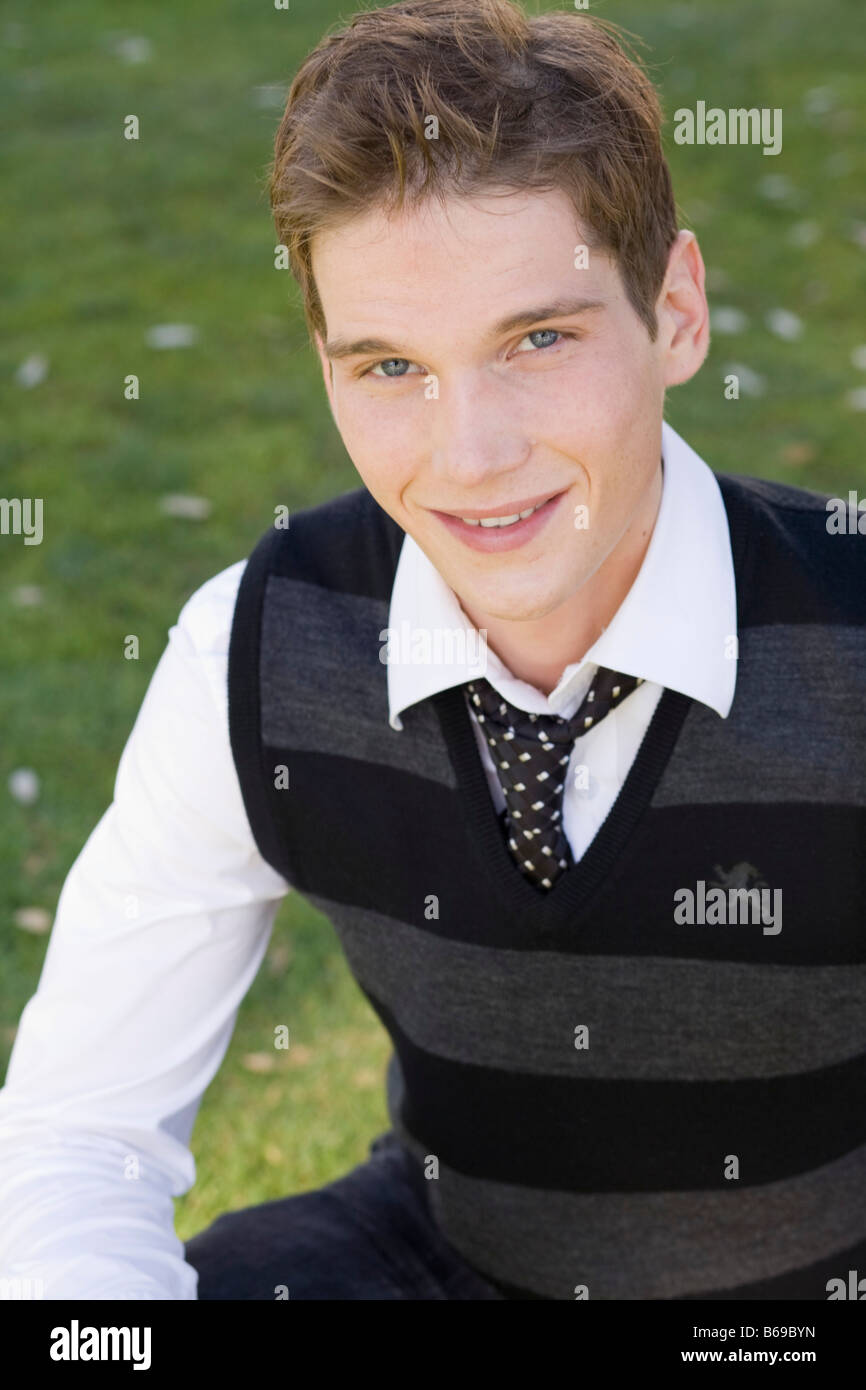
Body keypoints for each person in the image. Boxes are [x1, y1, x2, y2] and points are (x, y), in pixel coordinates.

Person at [2, 0, 864, 1302]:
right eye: (391, 366)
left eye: (538, 338)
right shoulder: (257, 644)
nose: (468, 456)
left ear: (676, 311)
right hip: (440, 1258)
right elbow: (80, 1130)